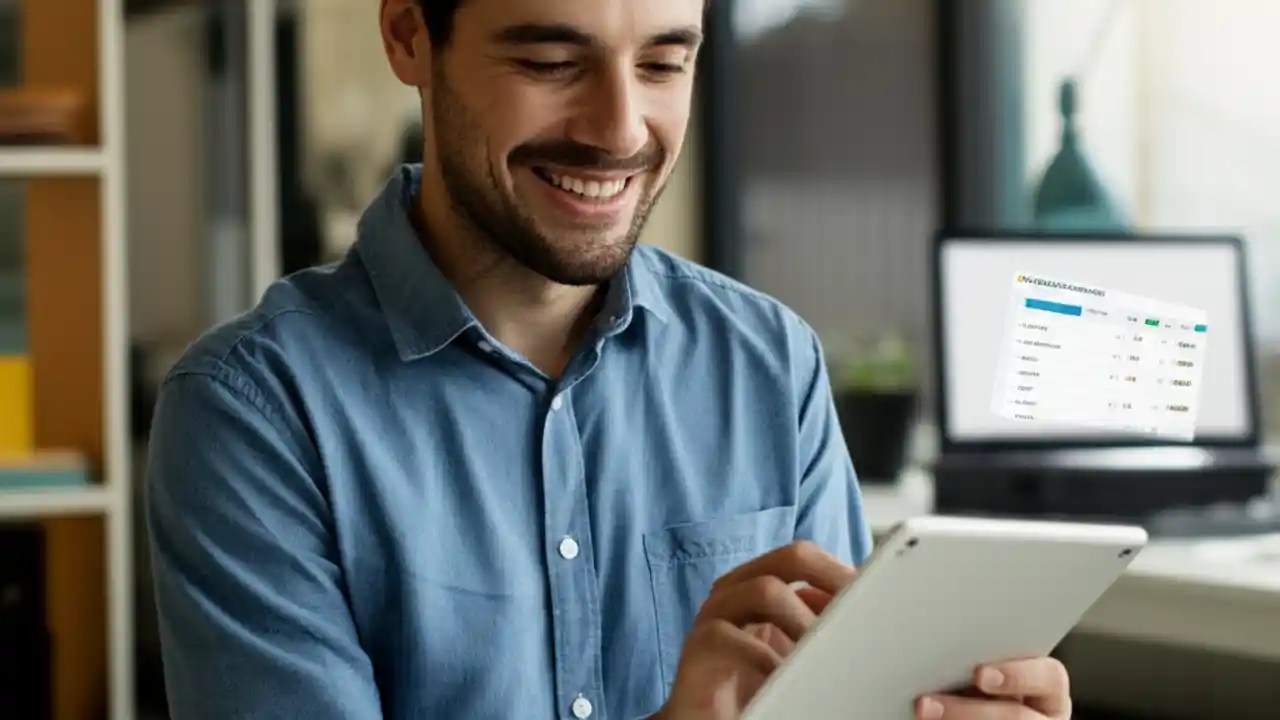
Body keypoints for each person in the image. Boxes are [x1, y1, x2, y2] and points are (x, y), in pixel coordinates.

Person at [145, 1, 1073, 718]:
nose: (620, 129)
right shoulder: (252, 415)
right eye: (551, 62)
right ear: (406, 35)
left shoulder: (769, 366)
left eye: (665, 63)